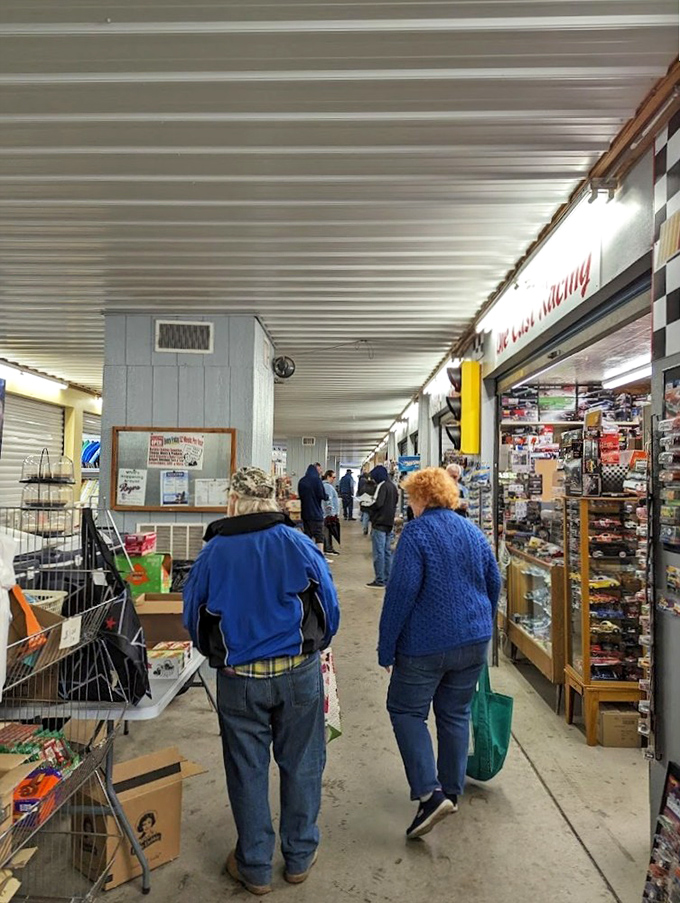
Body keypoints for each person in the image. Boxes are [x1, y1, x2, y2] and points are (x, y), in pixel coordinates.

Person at [183, 466, 340, 895]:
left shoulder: (213, 553)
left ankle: (253, 866)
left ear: (232, 502)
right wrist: (315, 646)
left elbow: (193, 616)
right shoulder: (297, 543)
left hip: (239, 679)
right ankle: (299, 857)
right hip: (297, 673)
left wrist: (216, 653)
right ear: (274, 500)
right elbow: (328, 604)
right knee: (304, 762)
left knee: (246, 768)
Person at [377, 467, 500, 840]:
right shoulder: (472, 531)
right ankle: (451, 791)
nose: (409, 505)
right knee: (455, 714)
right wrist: (482, 624)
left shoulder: (417, 534)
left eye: (411, 498)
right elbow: (494, 582)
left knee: (406, 710)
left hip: (426, 646)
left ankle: (430, 795)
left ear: (423, 498)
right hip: (474, 641)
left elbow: (400, 596)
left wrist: (387, 648)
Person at [366, 465, 398, 588]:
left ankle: (379, 580)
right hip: (389, 523)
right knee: (387, 552)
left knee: (378, 553)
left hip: (379, 523)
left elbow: (378, 503)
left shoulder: (382, 486)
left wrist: (368, 506)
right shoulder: (393, 487)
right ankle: (388, 578)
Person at [298, 463, 327, 555]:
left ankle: (307, 554)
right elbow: (322, 495)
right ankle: (320, 555)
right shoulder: (317, 480)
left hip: (305, 513)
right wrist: (327, 496)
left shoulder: (302, 481)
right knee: (319, 535)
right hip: (316, 513)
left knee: (308, 534)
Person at [322, 470, 340, 555]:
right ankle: (328, 548)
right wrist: (331, 513)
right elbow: (328, 500)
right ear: (328, 477)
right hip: (327, 514)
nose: (334, 479)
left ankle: (328, 548)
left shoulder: (327, 486)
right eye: (333, 477)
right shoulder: (327, 487)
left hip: (327, 513)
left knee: (328, 530)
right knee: (327, 531)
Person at [357, 469, 376, 535]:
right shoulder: (375, 487)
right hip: (372, 505)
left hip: (364, 504)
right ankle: (372, 531)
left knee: (365, 517)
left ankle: (365, 529)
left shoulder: (364, 487)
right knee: (373, 518)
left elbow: (360, 493)